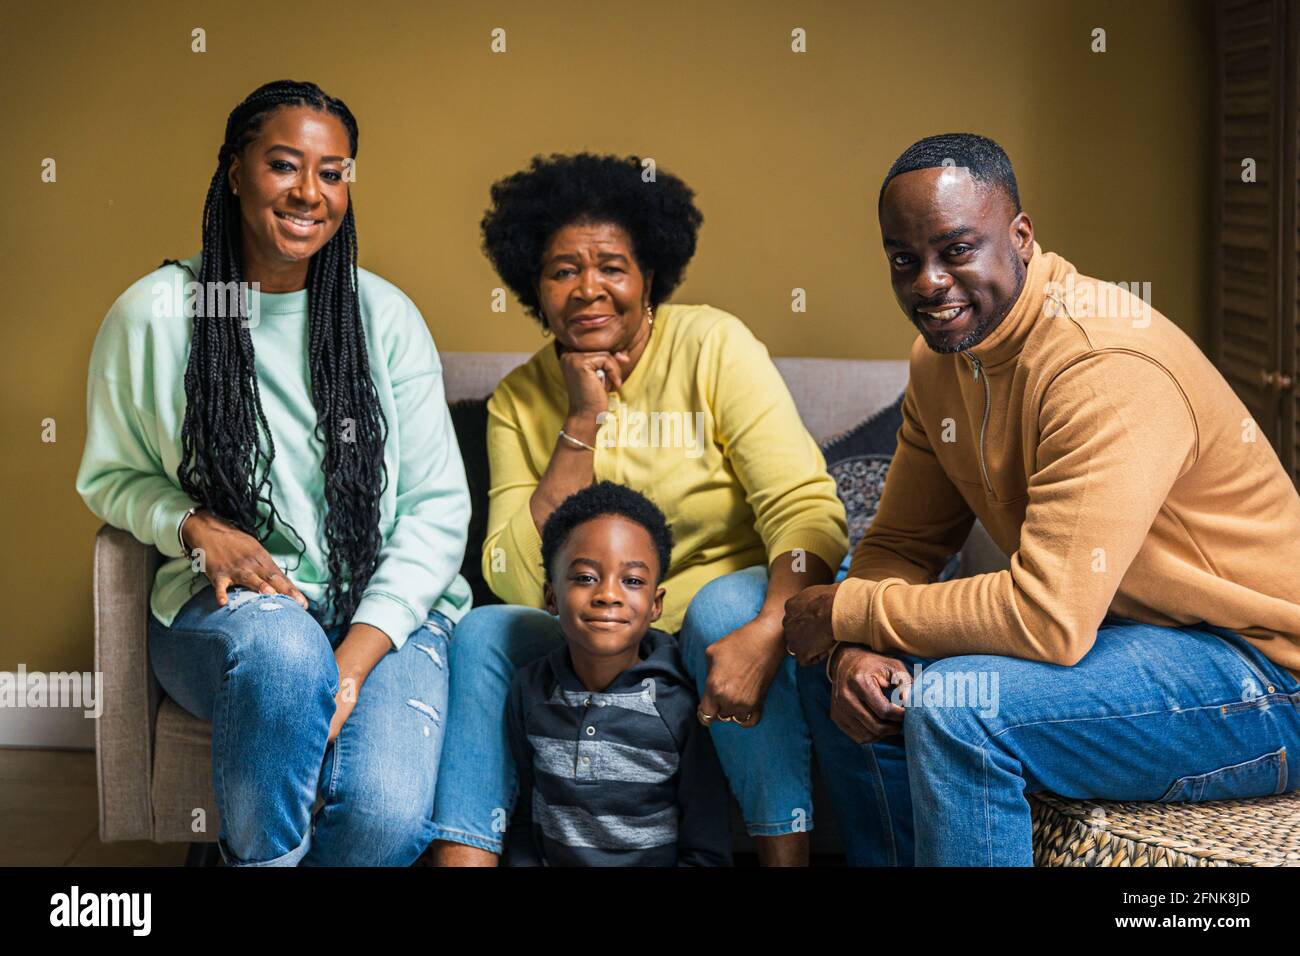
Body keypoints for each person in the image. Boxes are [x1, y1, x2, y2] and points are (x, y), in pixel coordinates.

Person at [785, 132, 1300, 866]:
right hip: (1121, 639)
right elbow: (902, 545)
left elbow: (1047, 618)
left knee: (961, 708)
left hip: (1260, 674)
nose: (929, 282)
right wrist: (853, 648)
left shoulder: (1104, 364)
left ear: (1021, 238)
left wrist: (842, 610)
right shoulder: (942, 361)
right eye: (905, 259)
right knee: (842, 680)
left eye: (957, 250)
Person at [75, 80, 472, 866]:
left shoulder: (384, 317)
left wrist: (353, 665)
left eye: (332, 174)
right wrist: (192, 527)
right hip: (224, 613)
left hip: (381, 614)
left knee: (386, 819)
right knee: (285, 650)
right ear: (234, 171)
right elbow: (110, 477)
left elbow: (435, 509)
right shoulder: (154, 313)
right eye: (284, 165)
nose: (309, 193)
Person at [431, 153, 847, 866]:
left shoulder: (712, 345)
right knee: (484, 633)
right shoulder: (517, 400)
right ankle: (468, 856)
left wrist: (772, 625)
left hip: (721, 611)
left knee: (722, 613)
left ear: (649, 275)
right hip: (592, 622)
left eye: (612, 266)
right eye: (563, 270)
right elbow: (507, 569)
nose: (589, 290)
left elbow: (807, 512)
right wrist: (582, 419)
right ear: (534, 286)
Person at [504, 481, 732, 866]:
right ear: (551, 597)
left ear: (656, 604)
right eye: (585, 577)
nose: (608, 594)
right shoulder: (530, 690)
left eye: (632, 581)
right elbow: (526, 818)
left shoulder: (680, 702)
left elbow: (706, 845)